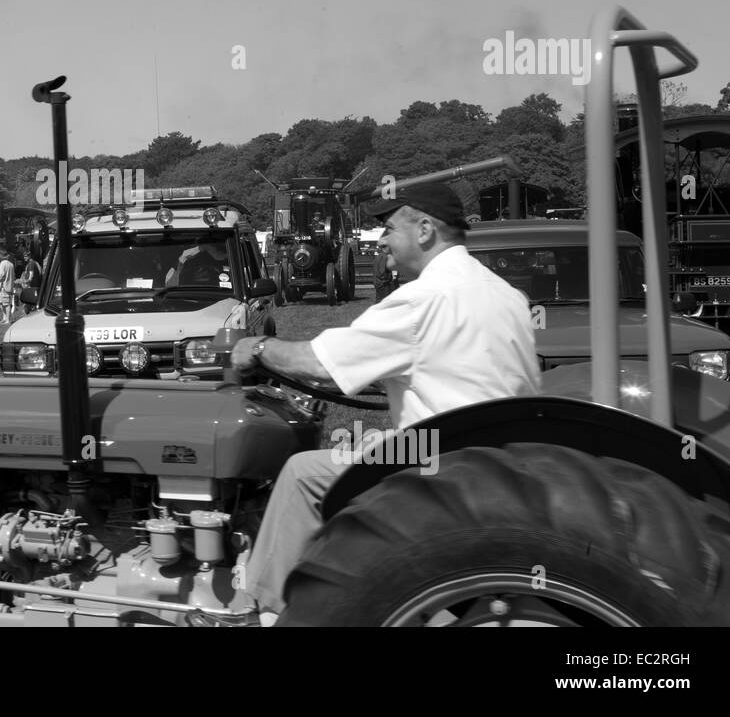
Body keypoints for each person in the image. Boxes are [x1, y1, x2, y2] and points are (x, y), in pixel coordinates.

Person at [230, 183, 541, 623]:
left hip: (438, 471)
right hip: (499, 467)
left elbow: (319, 362)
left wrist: (258, 347)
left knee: (302, 474)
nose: (382, 240)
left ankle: (259, 609)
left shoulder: (422, 298)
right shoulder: (504, 294)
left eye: (391, 228)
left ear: (426, 230)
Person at [0, 252, 17, 324]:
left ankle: (8, 320)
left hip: (4, 286)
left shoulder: (3, 263)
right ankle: (5, 318)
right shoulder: (11, 264)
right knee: (0, 302)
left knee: (6, 304)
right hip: (9, 286)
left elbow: (1, 275)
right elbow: (13, 275)